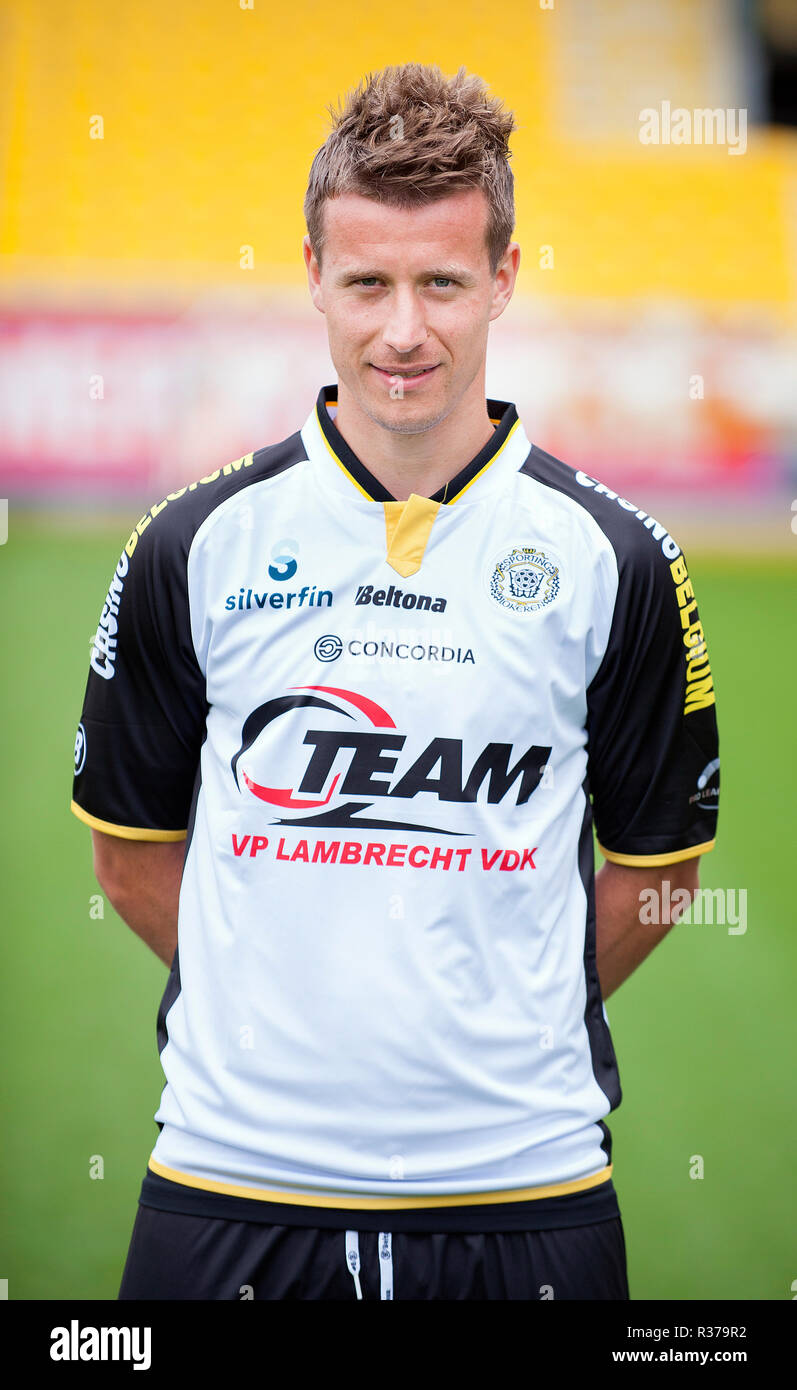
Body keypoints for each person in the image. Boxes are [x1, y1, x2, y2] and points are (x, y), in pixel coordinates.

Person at [70, 63, 719, 1301]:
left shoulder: (619, 559)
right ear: (311, 272)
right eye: (366, 281)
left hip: (525, 1191)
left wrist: (493, 1014)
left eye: (441, 282)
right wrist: (284, 999)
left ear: (506, 279)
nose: (402, 330)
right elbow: (129, 854)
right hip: (228, 1179)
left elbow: (660, 872)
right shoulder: (191, 544)